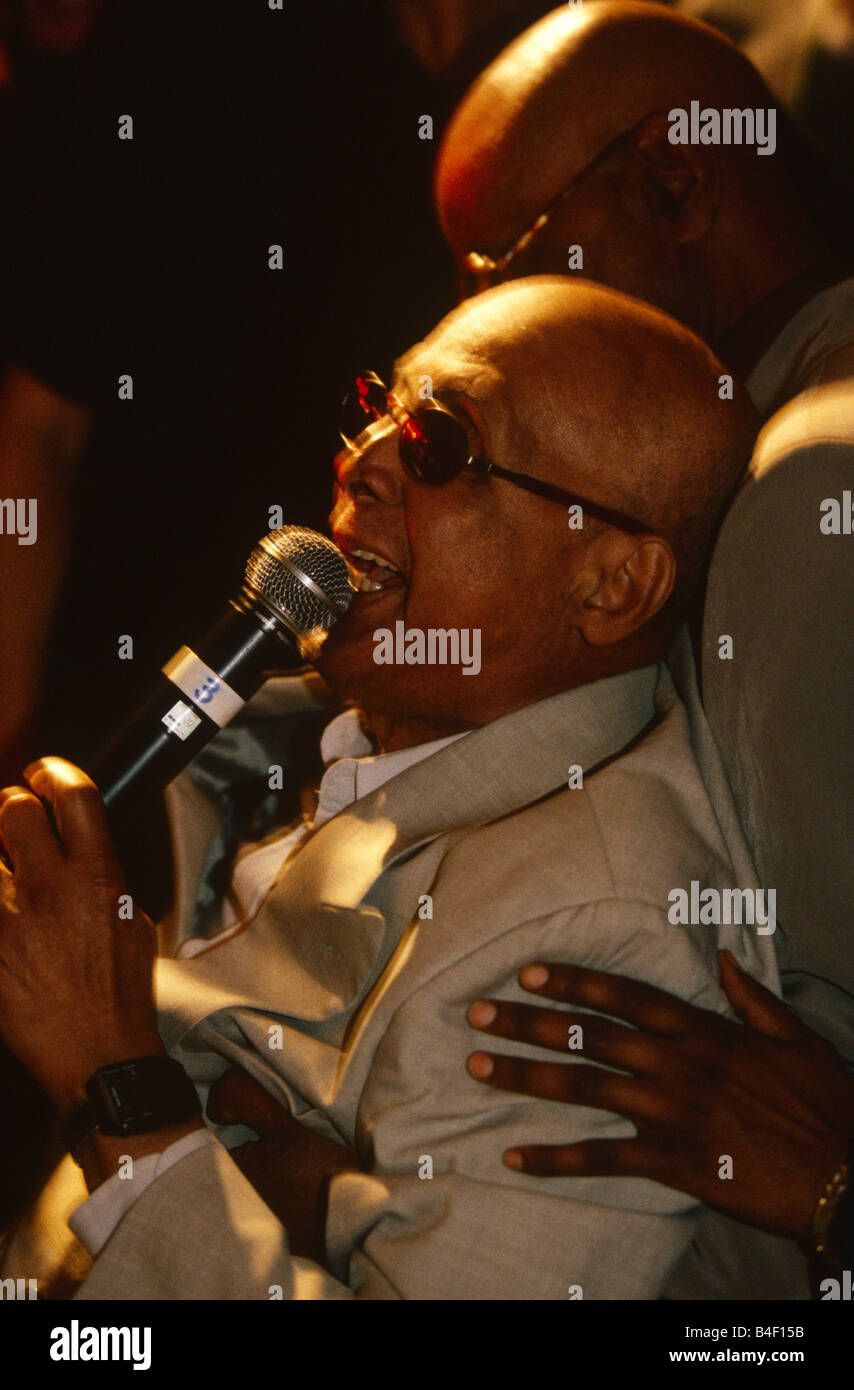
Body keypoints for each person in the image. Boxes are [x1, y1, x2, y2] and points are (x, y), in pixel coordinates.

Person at [0, 277, 771, 1300]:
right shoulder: (360, 712)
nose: (357, 461)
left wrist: (114, 1076)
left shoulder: (595, 930)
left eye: (438, 444)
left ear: (609, 584)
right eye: (379, 409)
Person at [433, 1, 854, 1295]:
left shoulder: (805, 490)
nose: (494, 323)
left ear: (676, 184)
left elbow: (796, 1038)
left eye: (507, 264)